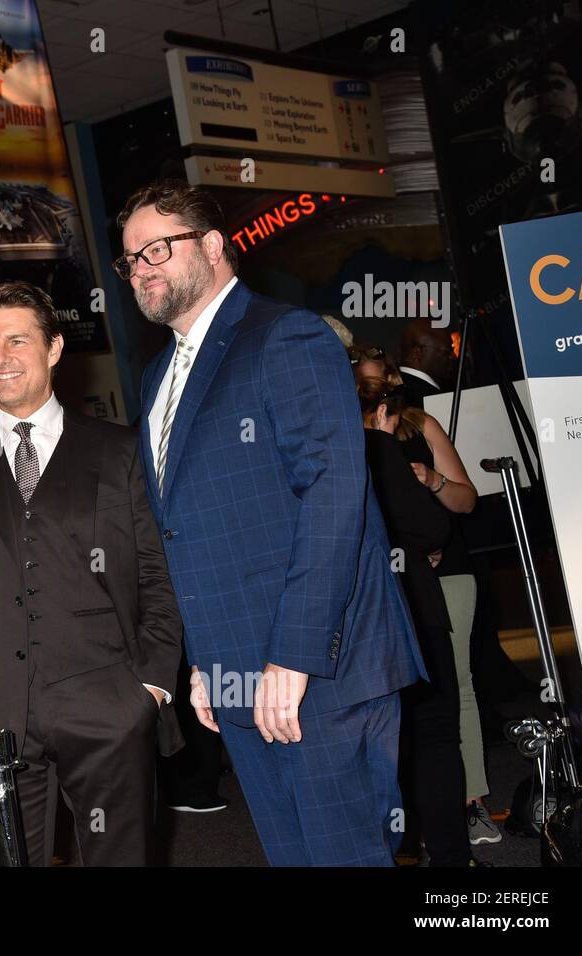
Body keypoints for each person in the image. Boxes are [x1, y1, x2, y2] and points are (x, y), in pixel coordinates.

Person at [118, 178, 424, 866]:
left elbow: (333, 496)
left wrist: (295, 652)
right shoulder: (158, 374)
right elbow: (187, 529)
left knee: (345, 855)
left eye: (157, 249)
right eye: (130, 258)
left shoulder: (286, 335)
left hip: (320, 668)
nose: (141, 268)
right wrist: (203, 662)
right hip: (237, 675)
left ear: (216, 246)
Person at [0, 280, 184, 866]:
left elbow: (158, 575)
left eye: (16, 340)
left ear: (55, 348)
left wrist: (152, 687)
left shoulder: (119, 451)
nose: (1, 358)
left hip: (107, 704)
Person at [351, 347, 500, 844]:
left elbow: (466, 499)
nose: (376, 396)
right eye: (364, 387)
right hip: (388, 580)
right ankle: (414, 817)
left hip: (445, 577)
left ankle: (471, 802)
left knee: (454, 686)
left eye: (381, 385)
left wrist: (432, 481)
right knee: (398, 700)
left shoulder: (421, 427)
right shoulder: (343, 438)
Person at [396, 320, 456, 408]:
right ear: (418, 353)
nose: (453, 357)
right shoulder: (428, 397)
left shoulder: (395, 390)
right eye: (447, 351)